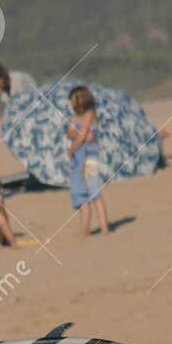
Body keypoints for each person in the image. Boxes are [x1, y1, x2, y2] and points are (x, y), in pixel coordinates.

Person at [66, 86, 111, 237]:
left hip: (90, 159)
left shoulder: (90, 114)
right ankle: (85, 230)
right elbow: (70, 132)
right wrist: (79, 136)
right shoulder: (75, 117)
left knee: (95, 193)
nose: (72, 104)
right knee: (81, 196)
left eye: (73, 100)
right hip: (79, 160)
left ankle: (104, 228)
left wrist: (73, 146)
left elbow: (82, 133)